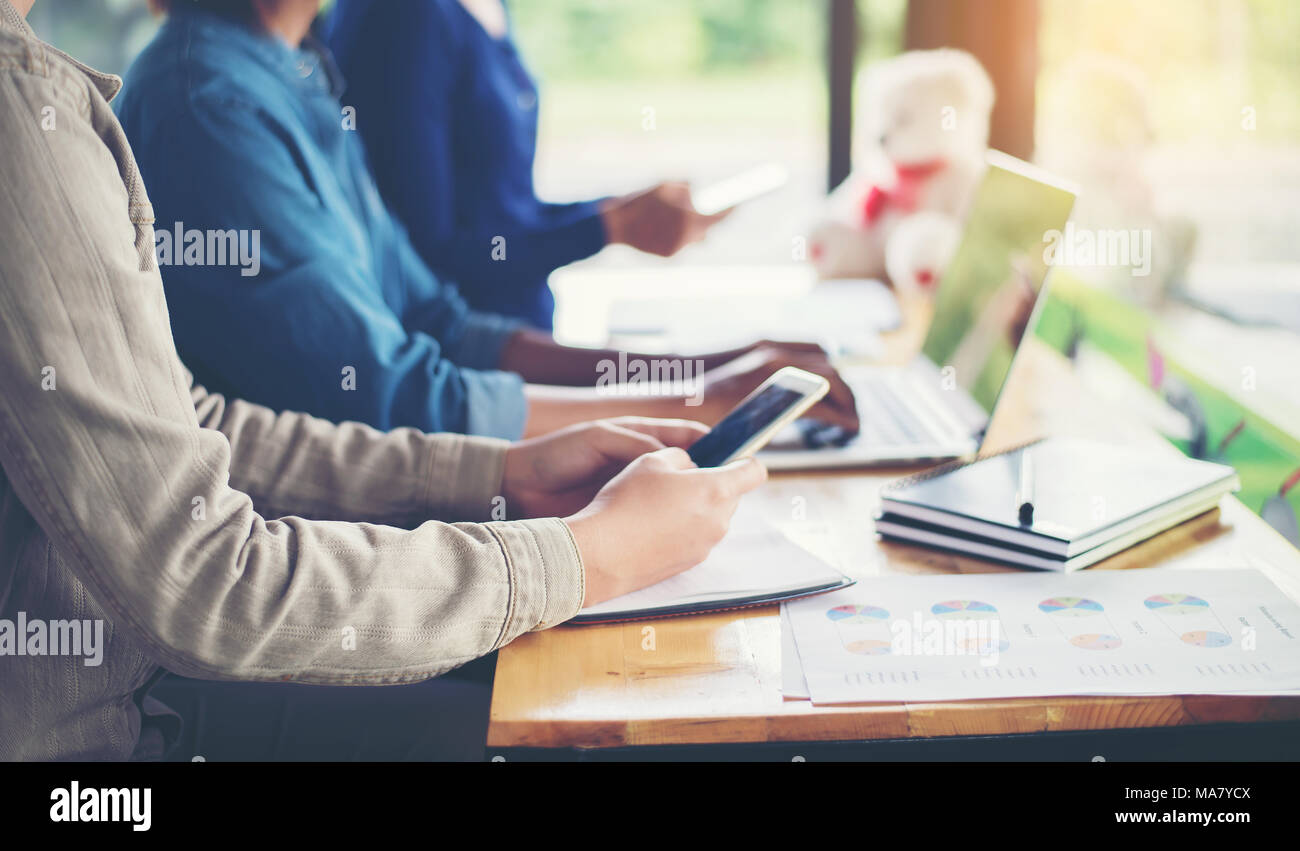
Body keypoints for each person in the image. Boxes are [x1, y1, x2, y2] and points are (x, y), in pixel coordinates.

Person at [0, 0, 767, 761]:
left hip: (139, 684)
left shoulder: (299, 69)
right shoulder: (95, 103)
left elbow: (197, 418)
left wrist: (504, 470)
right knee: (611, 723)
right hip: (101, 738)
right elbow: (209, 579)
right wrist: (586, 554)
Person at [114, 0, 861, 442]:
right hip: (325, 555)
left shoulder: (296, 69)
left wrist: (708, 368)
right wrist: (704, 395)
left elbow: (441, 321)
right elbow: (385, 396)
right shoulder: (209, 106)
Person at [326, 0, 724, 331]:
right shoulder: (406, 18)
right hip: (470, 357)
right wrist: (611, 227)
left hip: (521, 331)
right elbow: (426, 254)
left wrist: (619, 211)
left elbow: (501, 210)